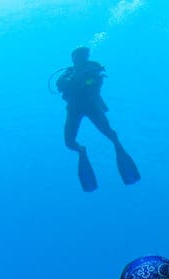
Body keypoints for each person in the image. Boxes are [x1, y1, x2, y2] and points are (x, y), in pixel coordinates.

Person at [55, 47, 140, 192]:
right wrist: (76, 80)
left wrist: (87, 80)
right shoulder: (67, 73)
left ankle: (117, 146)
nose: (81, 58)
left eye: (83, 55)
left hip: (91, 105)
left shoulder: (93, 68)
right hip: (74, 108)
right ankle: (81, 151)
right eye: (78, 56)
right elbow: (60, 85)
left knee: (110, 134)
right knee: (69, 142)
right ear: (73, 58)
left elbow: (97, 82)